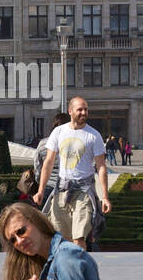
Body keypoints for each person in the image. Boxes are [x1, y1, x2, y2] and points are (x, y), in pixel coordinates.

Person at [32, 96, 111, 248]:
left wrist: (105, 197)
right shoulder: (59, 132)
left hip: (83, 192)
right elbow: (48, 162)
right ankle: (66, 269)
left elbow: (101, 167)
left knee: (79, 237)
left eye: (86, 109)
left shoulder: (94, 135)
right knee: (61, 238)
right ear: (70, 111)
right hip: (61, 190)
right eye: (80, 109)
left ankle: (78, 269)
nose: (83, 112)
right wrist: (41, 190)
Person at [33, 111, 69, 211]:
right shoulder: (74, 144)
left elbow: (37, 168)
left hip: (47, 188)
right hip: (69, 189)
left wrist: (40, 185)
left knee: (46, 222)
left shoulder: (43, 144)